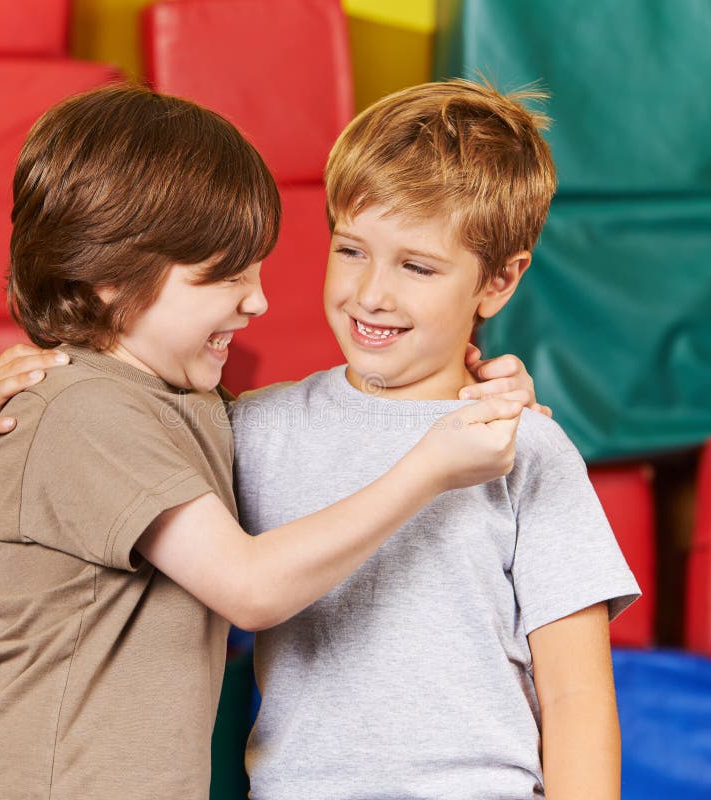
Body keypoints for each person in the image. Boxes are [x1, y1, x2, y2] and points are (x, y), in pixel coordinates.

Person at [0, 83, 531, 800]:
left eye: (255, 271)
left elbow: (51, 545)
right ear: (107, 277)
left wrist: (468, 391)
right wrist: (431, 464)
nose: (258, 300)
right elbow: (250, 590)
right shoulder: (83, 407)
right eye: (224, 277)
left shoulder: (185, 406)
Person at [229, 81, 641, 800]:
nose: (371, 294)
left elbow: (577, 697)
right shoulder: (257, 429)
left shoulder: (528, 448)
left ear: (499, 281)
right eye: (351, 250)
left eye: (416, 266)